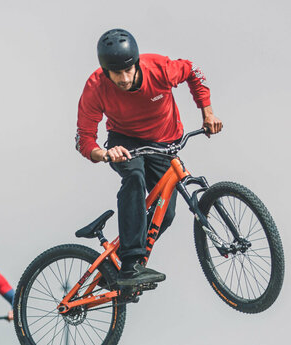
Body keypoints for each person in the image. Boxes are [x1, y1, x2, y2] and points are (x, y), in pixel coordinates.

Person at [76, 28, 222, 287]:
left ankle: (114, 270)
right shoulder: (96, 87)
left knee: (164, 214)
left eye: (128, 70)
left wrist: (207, 112)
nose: (123, 78)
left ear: (136, 62)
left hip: (164, 142)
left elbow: (191, 71)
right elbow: (84, 139)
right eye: (116, 73)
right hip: (125, 141)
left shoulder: (160, 69)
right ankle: (131, 265)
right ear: (105, 71)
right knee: (133, 175)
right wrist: (105, 153)